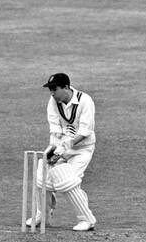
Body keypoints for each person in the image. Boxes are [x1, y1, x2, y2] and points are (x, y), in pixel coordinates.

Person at [27, 73, 97, 232]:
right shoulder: (53, 101)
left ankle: (87, 220)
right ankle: (42, 214)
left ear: (66, 87)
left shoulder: (85, 101)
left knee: (68, 182)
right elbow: (55, 130)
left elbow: (85, 131)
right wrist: (53, 151)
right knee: (41, 175)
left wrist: (67, 145)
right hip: (61, 146)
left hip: (82, 149)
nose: (52, 93)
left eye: (54, 89)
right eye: (50, 89)